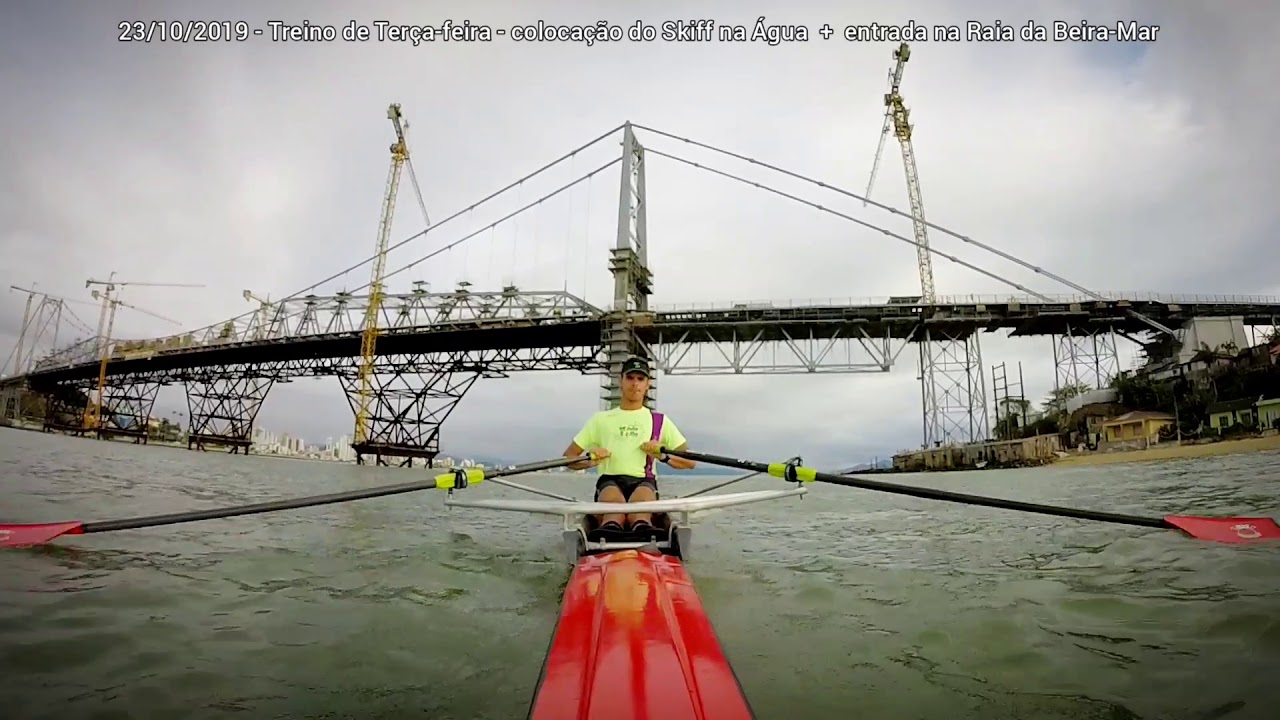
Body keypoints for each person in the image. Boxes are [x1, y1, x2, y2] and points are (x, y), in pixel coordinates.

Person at [562, 356, 696, 536]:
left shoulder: (659, 421)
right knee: (614, 514)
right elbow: (568, 458)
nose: (635, 384)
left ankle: (640, 529)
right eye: (630, 378)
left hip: (644, 481)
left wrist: (662, 455)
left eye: (640, 379)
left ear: (648, 384)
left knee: (639, 514)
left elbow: (690, 462)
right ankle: (612, 529)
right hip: (609, 480)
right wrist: (589, 461)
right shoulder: (600, 420)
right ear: (621, 381)